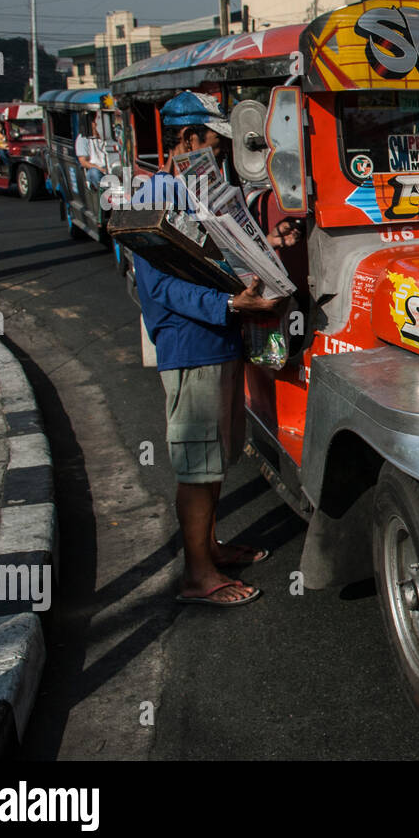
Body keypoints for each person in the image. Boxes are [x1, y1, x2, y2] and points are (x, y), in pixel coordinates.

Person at [135, 90, 299, 608]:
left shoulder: (196, 192)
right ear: (187, 139)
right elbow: (160, 288)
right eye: (212, 142)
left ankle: (210, 549)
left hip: (217, 340)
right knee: (196, 469)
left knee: (214, 462)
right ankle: (197, 575)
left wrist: (265, 246)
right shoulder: (154, 197)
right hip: (191, 347)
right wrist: (231, 303)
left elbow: (214, 258)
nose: (221, 154)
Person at [75, 114, 108, 188]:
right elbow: (83, 162)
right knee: (94, 173)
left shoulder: (109, 135)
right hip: (97, 169)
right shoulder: (82, 138)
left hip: (112, 167)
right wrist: (100, 169)